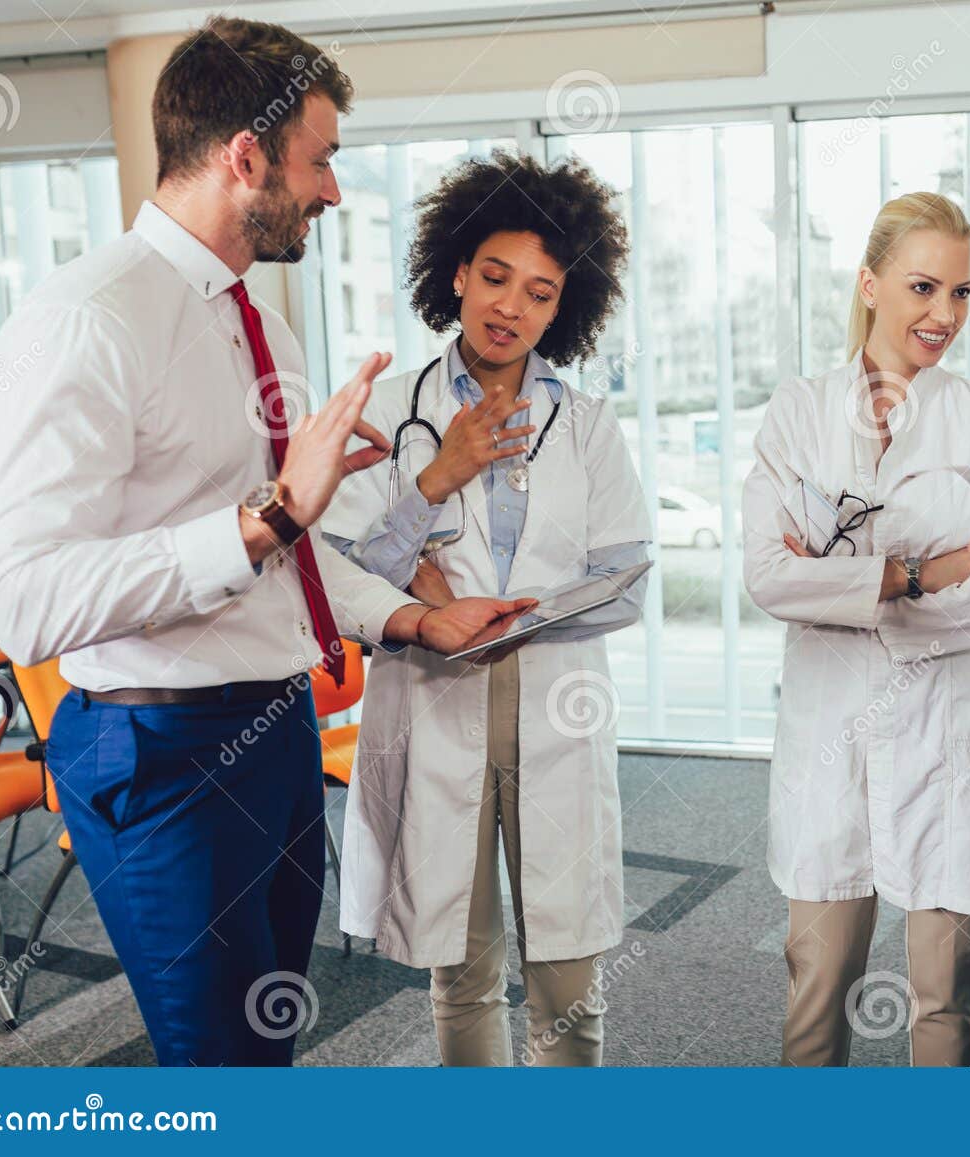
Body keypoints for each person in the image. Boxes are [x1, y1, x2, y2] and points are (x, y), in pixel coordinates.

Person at [0, 17, 530, 1066]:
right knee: (219, 1064)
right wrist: (267, 514)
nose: (331, 190)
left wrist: (414, 615)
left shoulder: (258, 324)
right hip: (160, 749)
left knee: (266, 1049)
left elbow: (290, 555)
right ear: (245, 156)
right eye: (319, 161)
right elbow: (25, 600)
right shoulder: (85, 320)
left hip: (267, 730)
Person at [320, 152, 648, 1067]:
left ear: (561, 308)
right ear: (456, 271)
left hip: (555, 697)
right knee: (459, 967)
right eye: (496, 277)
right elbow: (341, 573)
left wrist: (507, 611)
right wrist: (434, 483)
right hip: (434, 696)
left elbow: (625, 571)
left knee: (567, 969)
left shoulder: (585, 423)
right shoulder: (392, 414)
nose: (511, 307)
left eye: (540, 293)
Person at [742, 192, 970, 1067]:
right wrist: (931, 569)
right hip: (830, 732)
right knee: (815, 984)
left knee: (947, 997)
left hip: (945, 730)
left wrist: (852, 590)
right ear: (870, 284)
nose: (944, 315)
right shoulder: (798, 411)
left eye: (962, 293)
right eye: (923, 287)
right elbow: (768, 575)